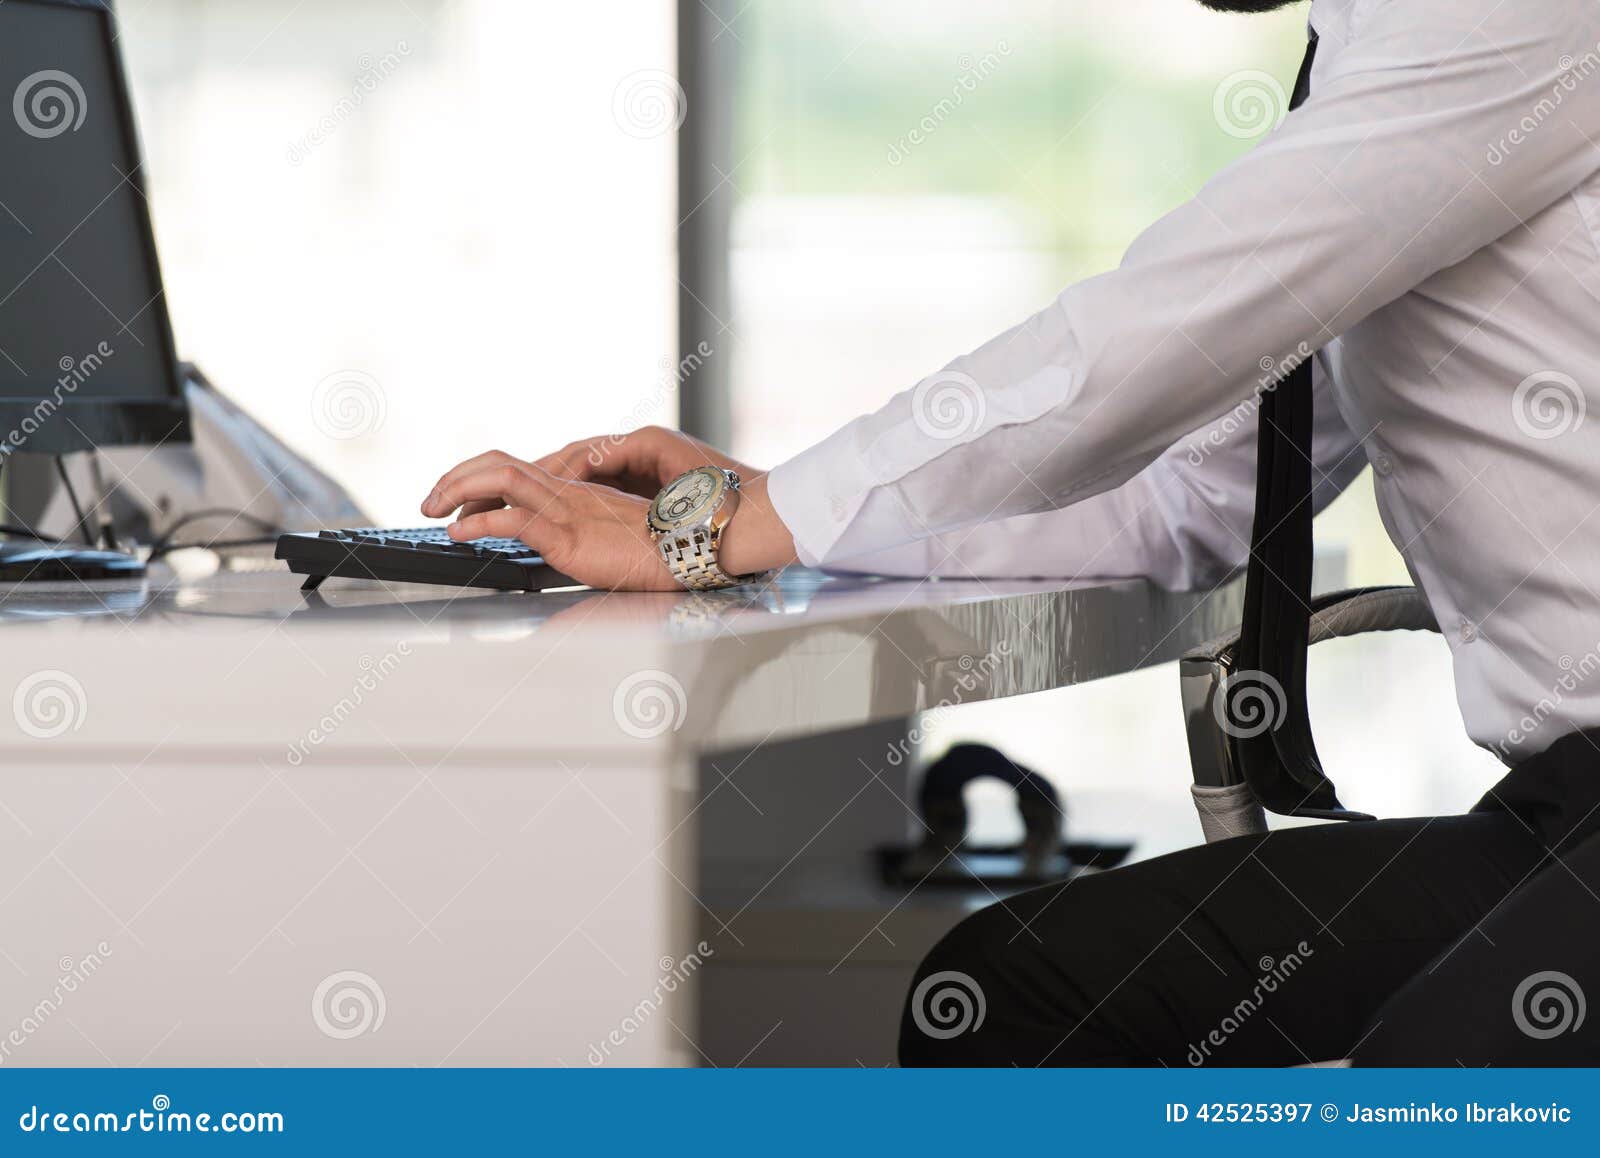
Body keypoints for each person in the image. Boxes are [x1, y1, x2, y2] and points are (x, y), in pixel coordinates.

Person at [421, 0, 1600, 1064]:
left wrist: (730, 528)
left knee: (1421, 1096)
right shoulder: (1384, 52)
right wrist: (762, 504)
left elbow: (1135, 348)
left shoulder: (1499, 16)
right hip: (1560, 816)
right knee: (1005, 997)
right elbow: (1181, 497)